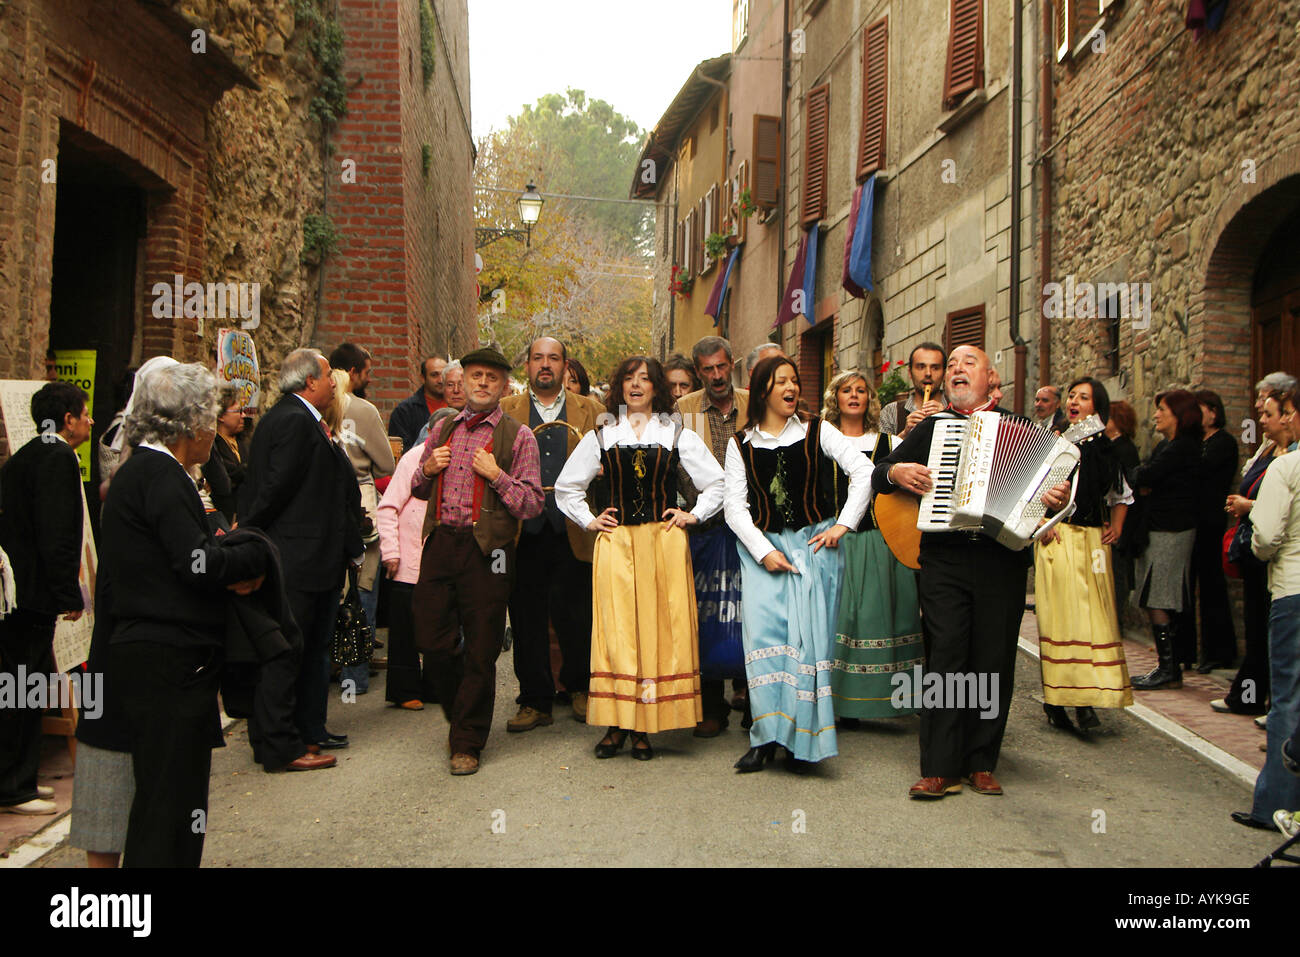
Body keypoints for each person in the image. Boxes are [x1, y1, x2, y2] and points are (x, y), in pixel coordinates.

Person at [873, 345, 1072, 799]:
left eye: (970, 364)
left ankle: (981, 760)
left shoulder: (1024, 430)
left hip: (1001, 558)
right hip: (944, 556)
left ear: (991, 378)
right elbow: (878, 474)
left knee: (993, 658)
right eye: (954, 365)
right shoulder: (934, 427)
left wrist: (1054, 501)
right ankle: (940, 767)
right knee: (946, 656)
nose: (958, 369)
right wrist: (899, 471)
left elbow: (1047, 499)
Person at [93, 363, 269, 866]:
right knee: (169, 806)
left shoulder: (147, 475)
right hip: (167, 662)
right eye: (211, 419)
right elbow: (197, 564)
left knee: (167, 802)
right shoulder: (160, 476)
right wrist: (253, 554)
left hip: (159, 658)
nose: (214, 431)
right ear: (191, 424)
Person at [555, 356, 725, 761]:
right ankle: (617, 724)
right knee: (618, 633)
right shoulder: (602, 434)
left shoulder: (675, 433)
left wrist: (693, 514)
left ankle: (645, 726)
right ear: (619, 386)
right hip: (617, 543)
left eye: (645, 379)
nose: (636, 385)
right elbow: (566, 488)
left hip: (662, 541)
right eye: (629, 378)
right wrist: (590, 520)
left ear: (657, 389)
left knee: (656, 630)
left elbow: (717, 482)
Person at [724, 356, 870, 772]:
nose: (791, 388)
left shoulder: (818, 430)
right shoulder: (741, 444)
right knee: (764, 645)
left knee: (806, 646)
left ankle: (802, 742)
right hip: (763, 552)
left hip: (813, 549)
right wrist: (763, 551)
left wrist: (843, 525)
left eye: (794, 380)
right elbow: (735, 507)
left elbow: (863, 471)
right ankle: (765, 738)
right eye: (781, 381)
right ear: (762, 390)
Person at [410, 347, 544, 775]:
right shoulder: (443, 427)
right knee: (431, 640)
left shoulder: (517, 435)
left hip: (491, 551)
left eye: (491, 377)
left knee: (482, 647)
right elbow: (415, 487)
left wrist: (497, 476)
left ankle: (466, 741)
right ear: (462, 382)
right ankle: (460, 705)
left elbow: (531, 503)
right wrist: (428, 468)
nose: (483, 383)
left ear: (504, 386)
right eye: (475, 376)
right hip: (441, 543)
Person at [239, 348, 363, 751]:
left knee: (313, 649)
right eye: (328, 375)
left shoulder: (305, 421)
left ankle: (310, 728)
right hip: (299, 561)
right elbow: (275, 489)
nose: (334, 382)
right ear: (310, 381)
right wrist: (246, 533)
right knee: (294, 648)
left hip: (317, 559)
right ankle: (283, 735)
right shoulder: (293, 421)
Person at [500, 337, 602, 731]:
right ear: (526, 366)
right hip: (523, 530)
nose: (546, 365)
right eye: (538, 358)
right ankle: (535, 700)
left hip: (573, 528)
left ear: (564, 366)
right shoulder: (507, 410)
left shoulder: (591, 410)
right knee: (525, 618)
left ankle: (580, 689)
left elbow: (610, 457)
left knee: (576, 614)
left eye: (553, 359)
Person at [0, 382, 88, 816]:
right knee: (22, 688)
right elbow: (56, 534)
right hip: (32, 595)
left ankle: (21, 779)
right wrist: (67, 594)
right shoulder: (55, 457)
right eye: (84, 413)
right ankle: (14, 787)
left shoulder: (29, 455)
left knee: (24, 686)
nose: (90, 420)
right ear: (67, 420)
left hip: (22, 593)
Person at [819, 370, 922, 723]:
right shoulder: (821, 440)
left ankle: (885, 700)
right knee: (839, 620)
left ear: (869, 399)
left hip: (878, 541)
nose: (854, 395)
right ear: (835, 397)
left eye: (861, 390)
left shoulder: (889, 443)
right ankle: (837, 702)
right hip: (836, 540)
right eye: (846, 390)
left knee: (879, 618)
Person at [1035, 377, 1134, 732]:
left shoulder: (1107, 449)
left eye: (1084, 397)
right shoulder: (1055, 443)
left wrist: (1117, 527)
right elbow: (1033, 489)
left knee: (1095, 622)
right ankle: (1057, 699)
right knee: (1062, 619)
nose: (1075, 401)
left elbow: (1121, 494)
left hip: (1092, 541)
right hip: (1058, 538)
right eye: (1072, 396)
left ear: (1097, 407)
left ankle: (1087, 702)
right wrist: (1044, 524)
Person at [674, 336, 750, 735]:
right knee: (707, 612)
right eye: (708, 369)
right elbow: (680, 466)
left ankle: (757, 701)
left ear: (732, 363)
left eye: (722, 367)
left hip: (753, 527)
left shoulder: (754, 402)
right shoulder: (685, 410)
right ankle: (712, 705)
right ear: (697, 371)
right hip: (703, 525)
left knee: (752, 612)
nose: (717, 376)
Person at [1237, 387, 1300, 831]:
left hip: (1293, 591)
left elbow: (1265, 538)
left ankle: (1275, 805)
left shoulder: (1286, 467)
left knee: (1288, 699)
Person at [1209, 389, 1291, 713]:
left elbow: (1285, 507)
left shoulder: (1291, 457)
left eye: (1268, 411)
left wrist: (1249, 505)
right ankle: (1249, 697)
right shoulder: (1267, 448)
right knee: (1256, 631)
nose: (1261, 417)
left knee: (1269, 634)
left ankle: (1263, 704)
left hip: (1275, 553)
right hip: (1256, 551)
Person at [329, 343, 397, 694]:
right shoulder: (362, 409)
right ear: (353, 373)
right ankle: (353, 674)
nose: (369, 379)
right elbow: (387, 463)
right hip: (360, 507)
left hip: (321, 507)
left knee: (329, 589)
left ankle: (327, 664)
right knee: (362, 588)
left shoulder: (318, 407)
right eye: (367, 372)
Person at [1129, 390, 1204, 692]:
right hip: (1160, 527)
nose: (1156, 414)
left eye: (1162, 409)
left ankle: (1169, 668)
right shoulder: (1167, 446)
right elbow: (1143, 474)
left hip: (1172, 530)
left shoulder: (1183, 448)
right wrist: (1145, 478)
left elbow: (1145, 475)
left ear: (1179, 414)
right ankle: (1167, 665)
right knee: (1154, 594)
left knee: (1159, 595)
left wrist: (1146, 480)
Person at [1178, 390, 1239, 673]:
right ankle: (1186, 651)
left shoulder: (1223, 442)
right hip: (1191, 520)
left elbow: (1199, 472)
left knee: (1212, 585)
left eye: (1199, 410)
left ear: (1213, 412)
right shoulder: (1194, 443)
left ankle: (1219, 651)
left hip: (1211, 522)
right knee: (1186, 586)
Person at [377, 442, 439, 709]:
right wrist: (390, 551)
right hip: (408, 558)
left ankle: (437, 686)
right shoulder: (414, 458)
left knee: (441, 623)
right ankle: (405, 691)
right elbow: (388, 507)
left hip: (442, 560)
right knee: (404, 628)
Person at [1107, 400, 1141, 613]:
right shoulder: (1113, 446)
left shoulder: (1122, 448)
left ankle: (1116, 617)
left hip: (1123, 520)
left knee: (1117, 571)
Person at [878, 342, 947, 438]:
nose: (928, 373)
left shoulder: (957, 408)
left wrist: (948, 418)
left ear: (944, 374)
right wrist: (904, 434)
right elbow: (882, 452)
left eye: (935, 368)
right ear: (910, 372)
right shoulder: (891, 412)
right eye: (921, 367)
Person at [389, 356, 449, 452]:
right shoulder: (405, 411)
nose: (440, 380)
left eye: (444, 375)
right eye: (434, 375)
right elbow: (400, 451)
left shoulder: (459, 406)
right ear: (422, 378)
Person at [213, 385, 248, 511]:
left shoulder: (242, 443)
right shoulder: (214, 445)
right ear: (221, 416)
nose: (243, 415)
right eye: (238, 411)